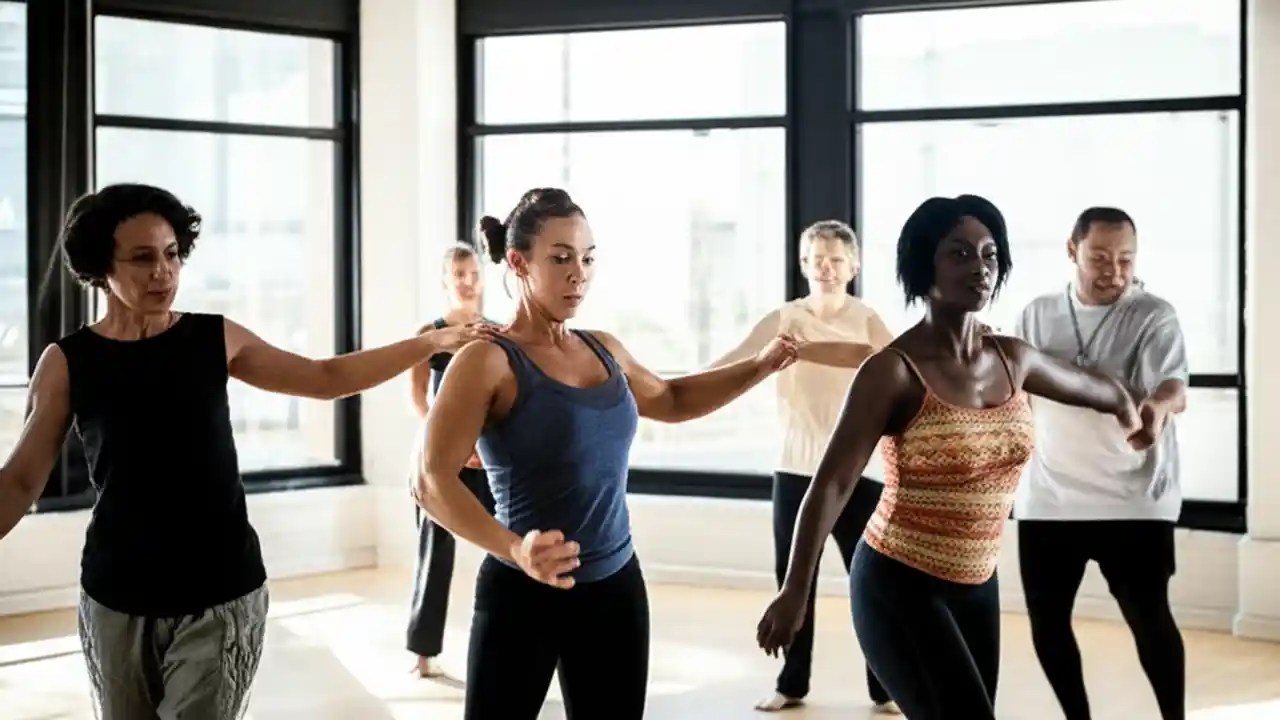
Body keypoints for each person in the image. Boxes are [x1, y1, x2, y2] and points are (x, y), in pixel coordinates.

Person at [0, 183, 492, 720]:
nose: (162, 272)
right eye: (142, 259)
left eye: (170, 255)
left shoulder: (213, 339)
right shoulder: (68, 361)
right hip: (116, 596)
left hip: (222, 591)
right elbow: (22, 481)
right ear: (100, 267)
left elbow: (324, 377)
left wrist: (427, 344)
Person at [756, 194, 1155, 720]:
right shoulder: (892, 371)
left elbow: (1093, 388)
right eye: (960, 254)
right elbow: (830, 484)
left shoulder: (1013, 358)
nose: (981, 268)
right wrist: (795, 592)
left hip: (977, 584)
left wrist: (1130, 409)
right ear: (925, 265)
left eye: (990, 255)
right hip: (898, 582)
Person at [412, 187, 797, 720]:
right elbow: (430, 481)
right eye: (561, 257)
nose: (579, 273)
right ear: (519, 262)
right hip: (522, 595)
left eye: (588, 257)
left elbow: (673, 398)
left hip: (615, 588)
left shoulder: (604, 348)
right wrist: (516, 548)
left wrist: (761, 365)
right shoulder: (486, 360)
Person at [710, 220, 898, 714]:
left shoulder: (866, 317)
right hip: (795, 469)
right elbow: (735, 361)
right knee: (794, 583)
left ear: (853, 266)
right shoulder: (785, 318)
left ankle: (884, 685)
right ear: (803, 264)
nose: (827, 268)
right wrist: (662, 387)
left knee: (872, 583)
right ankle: (792, 683)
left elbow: (884, 359)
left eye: (837, 259)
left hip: (861, 473)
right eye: (818, 259)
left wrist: (799, 351)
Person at [1012, 207, 1188, 720]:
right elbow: (1019, 390)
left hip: (1134, 498)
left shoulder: (1154, 314)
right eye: (1100, 258)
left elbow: (1173, 385)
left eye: (1126, 259)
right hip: (1050, 497)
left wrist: (1156, 410)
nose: (1114, 271)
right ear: (1072, 251)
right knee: (1047, 623)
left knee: (1150, 618)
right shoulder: (1038, 313)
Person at [405, 241, 499, 679]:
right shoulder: (431, 331)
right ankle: (423, 653)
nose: (467, 281)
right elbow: (418, 400)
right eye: (458, 274)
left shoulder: (498, 333)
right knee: (435, 552)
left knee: (506, 545)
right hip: (442, 464)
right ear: (446, 279)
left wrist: (483, 448)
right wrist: (450, 447)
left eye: (473, 273)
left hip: (488, 462)